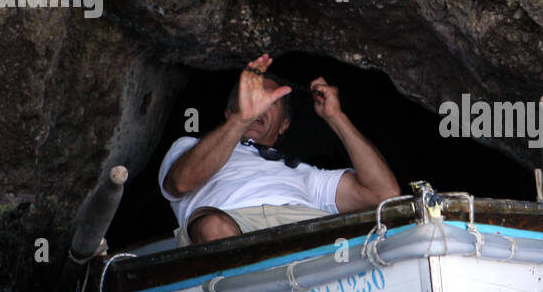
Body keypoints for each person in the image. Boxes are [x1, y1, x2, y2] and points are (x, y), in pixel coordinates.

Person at [159, 53, 401, 246]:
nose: (259, 106)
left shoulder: (306, 174)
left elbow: (383, 195)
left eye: (271, 101)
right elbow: (180, 183)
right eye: (254, 97)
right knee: (212, 227)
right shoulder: (189, 147)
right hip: (231, 228)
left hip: (303, 228)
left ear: (284, 125)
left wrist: (336, 117)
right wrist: (241, 118)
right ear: (228, 112)